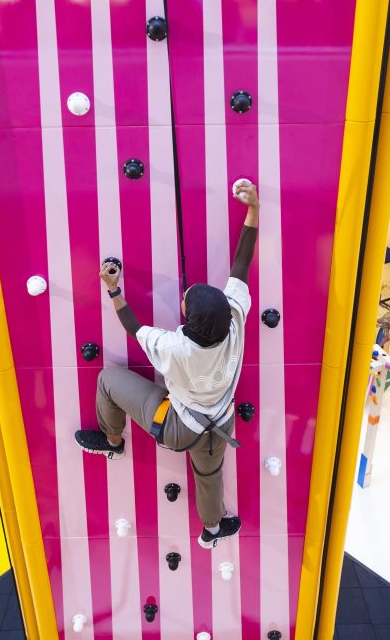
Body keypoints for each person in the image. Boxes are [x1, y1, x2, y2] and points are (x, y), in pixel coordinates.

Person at [74, 179, 260, 549]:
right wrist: (254, 208)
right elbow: (241, 264)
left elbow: (133, 327)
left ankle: (112, 441)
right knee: (210, 476)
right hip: (219, 425)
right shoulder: (234, 318)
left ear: (186, 318)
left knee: (108, 380)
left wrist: (113, 287)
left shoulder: (173, 346)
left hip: (178, 426)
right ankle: (211, 530)